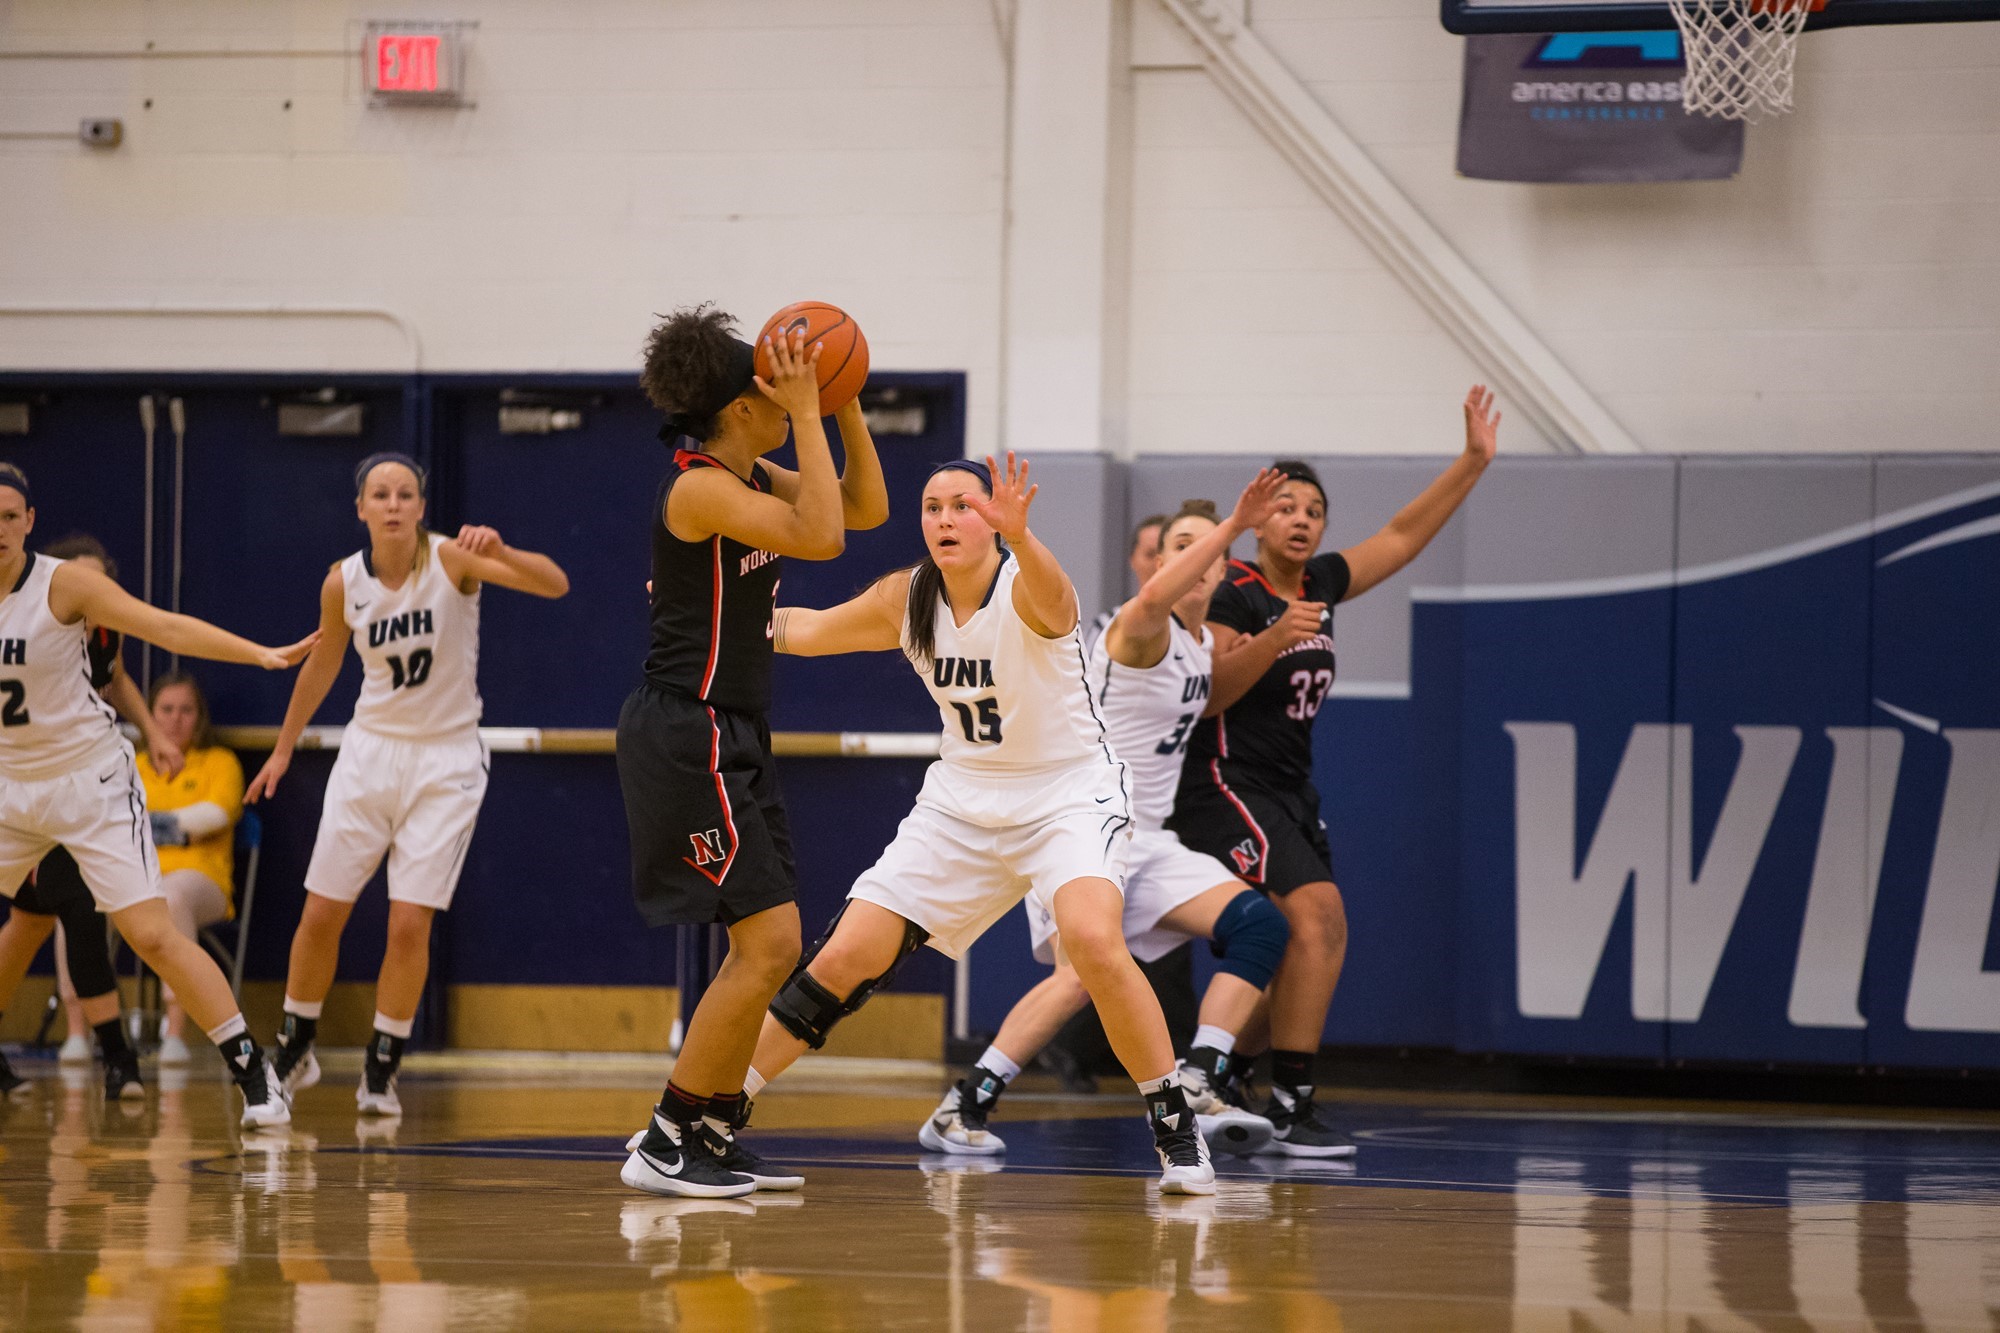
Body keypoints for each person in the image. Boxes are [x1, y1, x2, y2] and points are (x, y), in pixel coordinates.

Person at [740, 454, 1218, 1197]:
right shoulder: (907, 595)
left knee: (1093, 941)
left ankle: (1175, 1127)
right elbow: (807, 629)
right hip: (962, 800)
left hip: (1067, 794)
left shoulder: (1026, 586)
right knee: (844, 955)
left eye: (963, 505)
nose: (944, 519)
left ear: (993, 520)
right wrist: (715, 615)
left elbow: (1057, 599)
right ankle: (716, 1106)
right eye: (932, 507)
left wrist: (1024, 538)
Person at [1167, 386, 1501, 1155]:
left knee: (1300, 941)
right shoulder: (1237, 591)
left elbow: (1402, 537)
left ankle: (1226, 1074)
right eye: (1285, 506)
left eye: (1314, 510)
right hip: (1225, 783)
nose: (1301, 518)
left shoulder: (1319, 583)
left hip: (1290, 788)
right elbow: (1211, 693)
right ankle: (1292, 1100)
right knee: (1321, 917)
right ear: (1259, 522)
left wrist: (1473, 462)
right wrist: (1276, 637)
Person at [921, 473, 1295, 1159]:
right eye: (1177, 546)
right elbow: (1153, 598)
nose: (1190, 560)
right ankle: (963, 1105)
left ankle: (1199, 1075)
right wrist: (1233, 524)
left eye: (1204, 550)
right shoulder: (1140, 627)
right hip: (1080, 829)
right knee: (1075, 979)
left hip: (1146, 839)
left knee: (1262, 925)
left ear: (1221, 569)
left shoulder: (1199, 644)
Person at [616, 306, 887, 1201]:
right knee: (770, 943)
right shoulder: (698, 489)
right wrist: (810, 408)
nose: (787, 405)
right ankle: (667, 1137)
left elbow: (863, 507)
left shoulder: (751, 470)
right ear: (741, 408)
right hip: (685, 730)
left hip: (733, 729)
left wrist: (840, 399)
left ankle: (709, 1126)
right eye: (774, 396)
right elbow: (823, 537)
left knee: (768, 938)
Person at [246, 452, 570, 1119]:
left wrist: (504, 550)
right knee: (321, 912)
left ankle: (383, 1063)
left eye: (404, 493)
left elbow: (555, 585)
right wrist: (281, 750)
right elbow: (322, 666)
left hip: (446, 762)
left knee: (407, 922)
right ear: (360, 509)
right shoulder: (342, 582)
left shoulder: (453, 559)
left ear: (421, 506)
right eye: (380, 494)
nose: (392, 504)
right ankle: (296, 1044)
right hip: (370, 754)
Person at [0, 463, 312, 1127]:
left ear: (29, 522)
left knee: (150, 933)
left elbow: (163, 627)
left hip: (88, 783)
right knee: (24, 928)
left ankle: (252, 1070)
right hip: (8, 785)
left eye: (9, 516)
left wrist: (259, 654)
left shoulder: (64, 583)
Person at [137, 671, 244, 1063]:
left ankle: (175, 1031)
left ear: (199, 717)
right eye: (166, 709)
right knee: (74, 895)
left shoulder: (220, 762)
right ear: (149, 715)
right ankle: (80, 1033)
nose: (175, 719)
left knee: (173, 895)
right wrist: (179, 828)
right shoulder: (134, 764)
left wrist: (147, 825)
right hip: (137, 881)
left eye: (186, 710)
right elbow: (108, 819)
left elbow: (215, 815)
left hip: (203, 883)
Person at [1082, 512, 1168, 655]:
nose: (1158, 564)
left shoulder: (1198, 629)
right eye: (1150, 554)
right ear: (1133, 560)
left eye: (1164, 555)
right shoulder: (1103, 627)